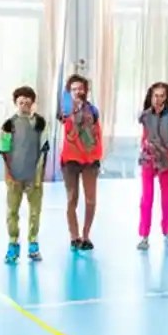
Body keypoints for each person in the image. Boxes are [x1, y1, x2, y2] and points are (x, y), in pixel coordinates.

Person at [0, 86, 49, 264]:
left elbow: (44, 149)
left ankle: (33, 243)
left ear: (33, 102)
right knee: (12, 211)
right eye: (21, 100)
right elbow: (3, 151)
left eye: (28, 100)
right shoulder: (9, 124)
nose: (25, 103)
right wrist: (8, 175)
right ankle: (13, 244)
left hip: (33, 176)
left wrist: (40, 175)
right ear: (16, 102)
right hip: (14, 175)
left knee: (35, 211)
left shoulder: (40, 123)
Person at [59, 74, 103, 250]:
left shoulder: (93, 110)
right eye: (73, 89)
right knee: (72, 199)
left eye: (80, 88)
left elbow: (96, 134)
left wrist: (96, 153)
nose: (77, 91)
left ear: (86, 90)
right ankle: (74, 236)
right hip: (70, 159)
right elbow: (68, 128)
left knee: (91, 199)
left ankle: (86, 235)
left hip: (90, 160)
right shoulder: (66, 110)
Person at [138, 82, 168, 251]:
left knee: (167, 199)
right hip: (149, 160)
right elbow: (144, 137)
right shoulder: (145, 116)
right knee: (146, 199)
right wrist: (146, 149)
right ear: (151, 96)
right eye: (156, 95)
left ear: (167, 98)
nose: (158, 99)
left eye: (162, 95)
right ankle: (144, 236)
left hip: (166, 162)